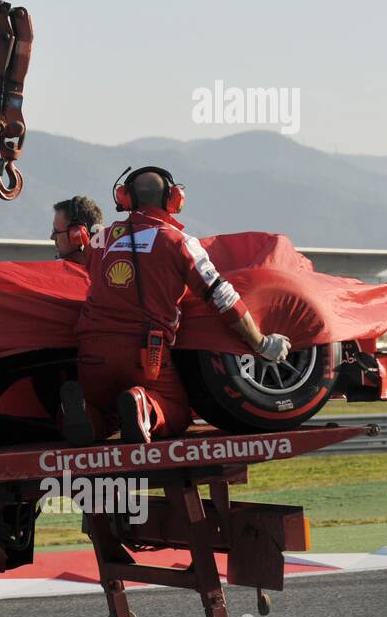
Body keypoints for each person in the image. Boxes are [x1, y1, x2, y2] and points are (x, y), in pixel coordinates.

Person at [60, 166, 291, 445]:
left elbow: (76, 266)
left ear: (125, 198)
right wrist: (261, 343)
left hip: (90, 349)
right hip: (144, 352)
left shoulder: (100, 239)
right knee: (176, 412)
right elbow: (222, 296)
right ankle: (145, 406)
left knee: (105, 415)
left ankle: (86, 411)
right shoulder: (179, 242)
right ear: (174, 200)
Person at [50, 195, 103, 267]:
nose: (52, 237)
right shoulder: (110, 271)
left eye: (56, 232)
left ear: (78, 235)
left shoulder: (55, 273)